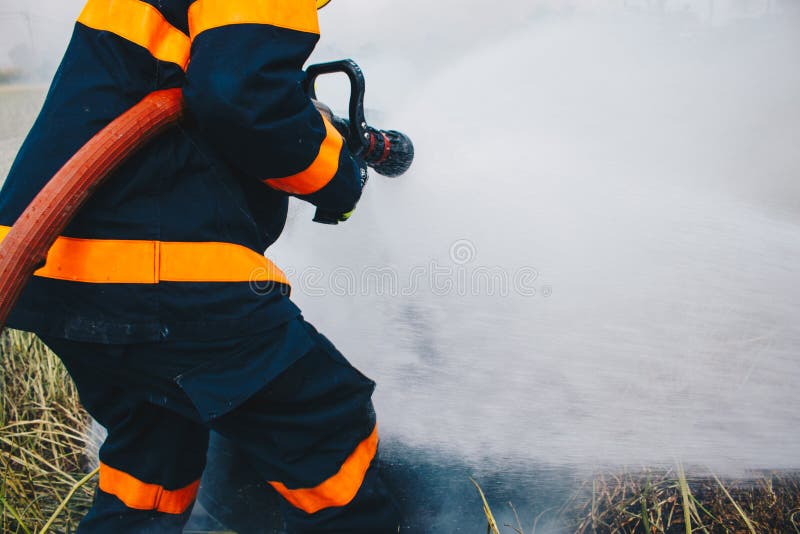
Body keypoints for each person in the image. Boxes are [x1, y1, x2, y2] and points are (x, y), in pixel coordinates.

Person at [0, 0, 400, 532]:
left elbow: (220, 97)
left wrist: (309, 123)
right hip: (155, 272)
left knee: (152, 459)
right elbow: (242, 98)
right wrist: (342, 179)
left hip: (57, 268)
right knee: (325, 426)